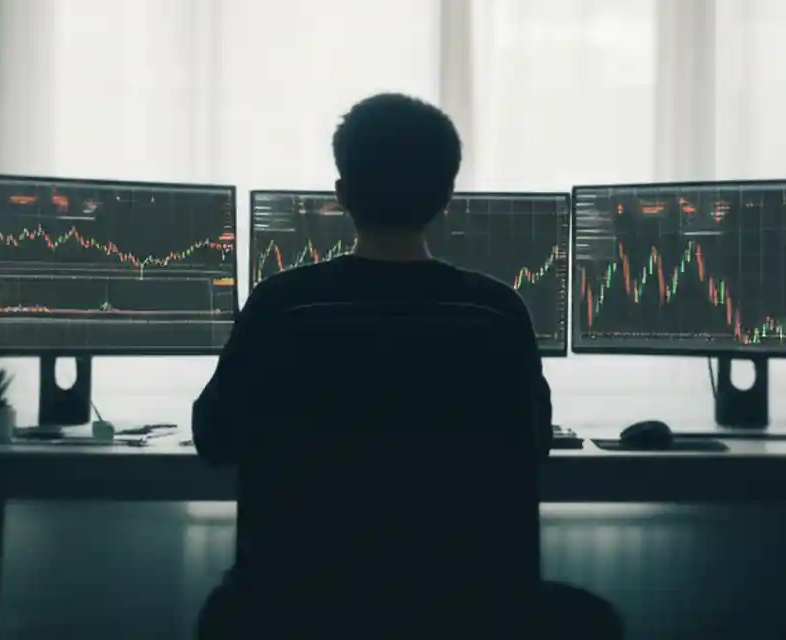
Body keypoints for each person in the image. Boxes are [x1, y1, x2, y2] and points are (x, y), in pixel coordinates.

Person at [192, 93, 622, 639]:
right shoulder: (496, 311)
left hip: (297, 611)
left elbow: (215, 438)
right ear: (446, 197)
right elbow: (531, 444)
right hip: (467, 613)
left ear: (342, 194)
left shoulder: (282, 304)